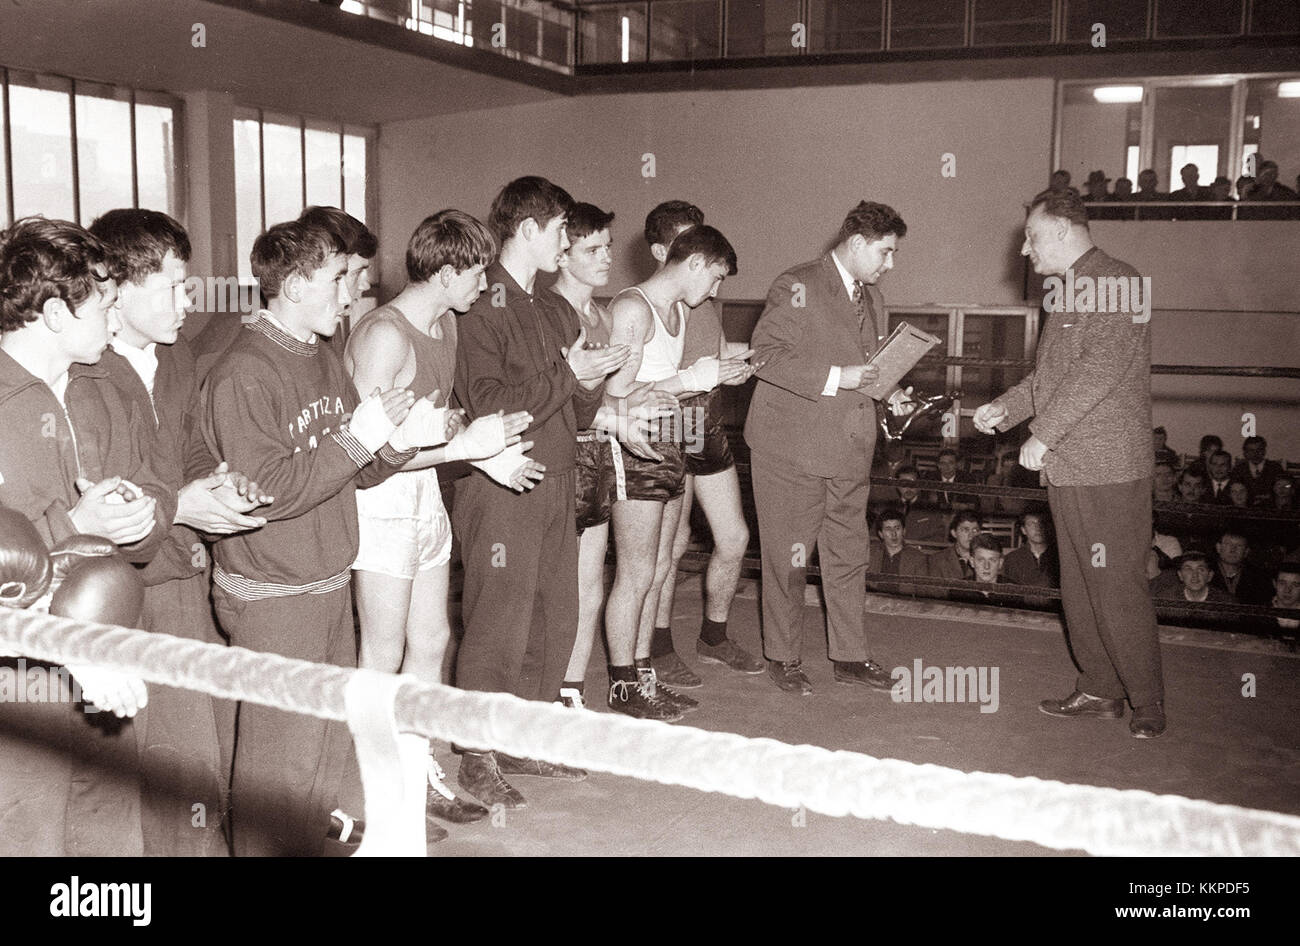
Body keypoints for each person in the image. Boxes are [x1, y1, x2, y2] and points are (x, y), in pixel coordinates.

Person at [201, 217, 440, 855]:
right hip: (275, 593)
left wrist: (398, 441)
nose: (351, 293)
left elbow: (347, 471)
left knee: (323, 753)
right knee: (277, 771)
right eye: (338, 279)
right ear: (298, 284)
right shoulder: (244, 372)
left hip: (328, 582)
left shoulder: (321, 352)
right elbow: (270, 489)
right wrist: (359, 438)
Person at [345, 209, 539, 832]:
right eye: (477, 274)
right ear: (447, 271)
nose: (484, 286)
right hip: (379, 503)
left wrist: (491, 453)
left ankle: (415, 767)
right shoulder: (384, 335)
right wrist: (465, 448)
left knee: (431, 642)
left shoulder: (446, 326)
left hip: (424, 492)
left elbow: (432, 424)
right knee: (382, 649)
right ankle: (371, 791)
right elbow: (364, 457)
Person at [89, 208, 271, 855]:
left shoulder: (177, 354)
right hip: (125, 593)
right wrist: (186, 504)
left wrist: (217, 482)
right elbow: (118, 505)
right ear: (120, 286)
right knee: (174, 769)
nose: (187, 299)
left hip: (184, 578)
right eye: (172, 286)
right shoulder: (87, 371)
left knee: (204, 757)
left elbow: (191, 445)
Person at [451, 176, 618, 807]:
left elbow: (572, 412)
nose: (565, 243)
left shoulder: (550, 308)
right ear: (527, 230)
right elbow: (491, 406)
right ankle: (476, 752)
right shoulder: (481, 306)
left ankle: (525, 734)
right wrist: (565, 374)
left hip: (555, 480)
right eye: (558, 232)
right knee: (498, 618)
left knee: (556, 613)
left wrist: (593, 377)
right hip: (502, 484)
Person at [0, 217, 165, 855]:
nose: (115, 313)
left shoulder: (102, 387)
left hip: (110, 643)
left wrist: (135, 523)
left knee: (110, 839)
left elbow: (148, 535)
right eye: (103, 301)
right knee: (28, 837)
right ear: (53, 313)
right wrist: (77, 526)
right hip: (23, 676)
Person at [974, 189, 1166, 738]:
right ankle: (1101, 689)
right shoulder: (1065, 292)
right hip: (1072, 466)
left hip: (1107, 467)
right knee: (1081, 584)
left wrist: (1043, 434)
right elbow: (1050, 381)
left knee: (1116, 584)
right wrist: (1006, 409)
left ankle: (1147, 700)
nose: (1025, 252)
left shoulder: (1118, 280)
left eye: (1032, 237)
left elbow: (1102, 369)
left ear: (1061, 229)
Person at [745, 200, 913, 696]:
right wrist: (841, 378)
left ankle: (851, 657)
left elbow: (870, 368)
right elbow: (766, 357)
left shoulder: (874, 298)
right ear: (857, 243)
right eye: (885, 253)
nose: (890, 264)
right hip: (791, 449)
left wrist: (891, 391)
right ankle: (783, 656)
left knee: (848, 556)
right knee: (789, 559)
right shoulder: (797, 284)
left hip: (849, 447)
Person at [603, 224, 747, 719]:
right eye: (716, 278)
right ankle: (622, 687)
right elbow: (613, 398)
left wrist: (709, 375)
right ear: (695, 263)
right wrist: (691, 378)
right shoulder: (631, 308)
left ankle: (644, 675)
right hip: (636, 448)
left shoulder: (678, 311)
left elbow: (670, 388)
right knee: (636, 570)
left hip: (672, 443)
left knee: (660, 566)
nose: (716, 290)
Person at [550, 202, 677, 711]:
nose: (606, 258)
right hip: (563, 456)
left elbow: (603, 397)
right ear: (563, 255)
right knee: (561, 590)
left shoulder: (601, 315)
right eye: (592, 249)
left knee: (590, 585)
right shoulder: (549, 313)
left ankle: (574, 691)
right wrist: (616, 407)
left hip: (601, 455)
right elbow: (554, 397)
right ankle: (551, 695)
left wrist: (633, 401)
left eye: (607, 246)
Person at [642, 201, 765, 689]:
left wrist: (755, 356)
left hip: (706, 425)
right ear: (661, 251)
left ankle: (713, 636)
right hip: (671, 427)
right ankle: (658, 643)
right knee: (669, 547)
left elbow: (714, 358)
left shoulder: (706, 301)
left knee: (734, 537)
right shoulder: (648, 306)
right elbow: (644, 383)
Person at [866, 505, 927, 596]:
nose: (893, 534)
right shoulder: (870, 553)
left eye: (897, 528)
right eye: (888, 529)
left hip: (904, 605)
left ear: (904, 531)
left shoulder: (917, 557)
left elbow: (922, 592)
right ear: (881, 534)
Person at [1209, 527, 1273, 607]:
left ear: (1246, 552)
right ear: (1218, 548)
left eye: (1239, 546)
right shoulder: (1205, 572)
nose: (1233, 550)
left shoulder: (1259, 578)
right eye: (1228, 544)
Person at [1001, 507, 1059, 592]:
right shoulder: (1011, 559)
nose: (1037, 527)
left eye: (1041, 523)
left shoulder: (1059, 557)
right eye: (1031, 524)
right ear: (1023, 530)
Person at [926, 510, 981, 592]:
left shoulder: (988, 559)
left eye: (975, 530)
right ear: (954, 533)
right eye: (965, 530)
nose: (971, 535)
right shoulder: (937, 560)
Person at [1232, 436, 1283, 502]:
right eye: (1251, 450)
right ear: (1245, 453)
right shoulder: (1239, 469)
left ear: (1264, 451)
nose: (1255, 454)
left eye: (1259, 450)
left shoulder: (1275, 467)